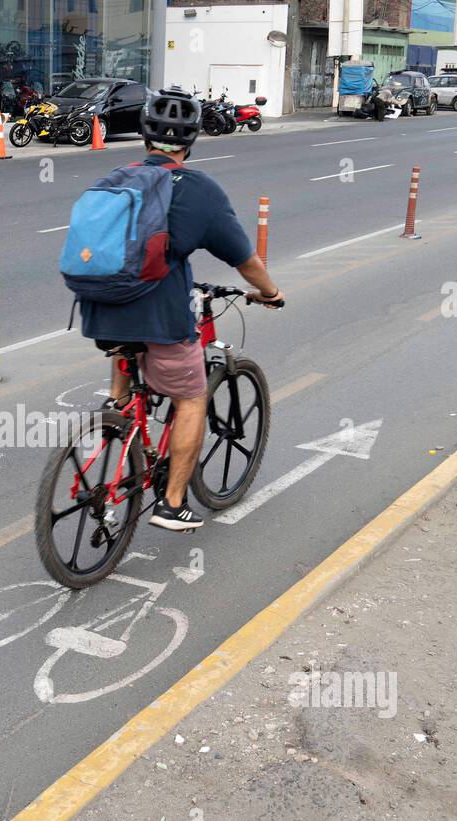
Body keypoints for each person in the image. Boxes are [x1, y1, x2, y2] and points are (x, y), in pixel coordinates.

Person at [79, 87, 284, 532]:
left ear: (143, 137)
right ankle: (172, 504)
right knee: (191, 397)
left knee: (128, 345)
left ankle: (118, 409)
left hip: (99, 310)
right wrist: (269, 292)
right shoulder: (198, 189)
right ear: (190, 142)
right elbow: (244, 260)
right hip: (159, 318)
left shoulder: (115, 178)